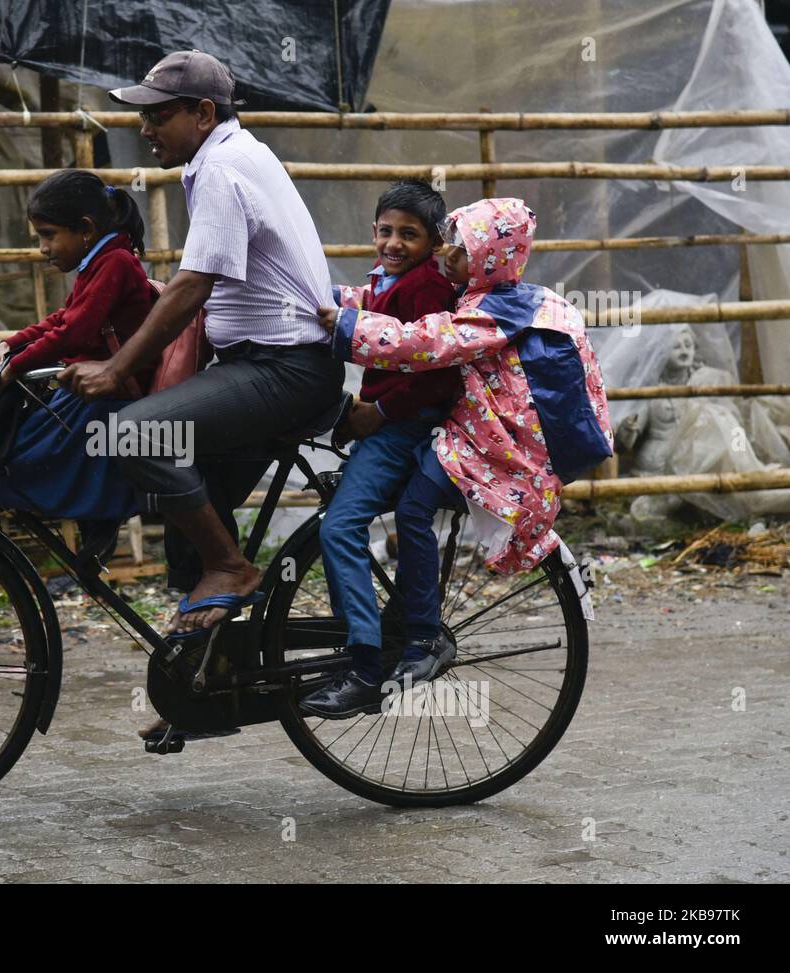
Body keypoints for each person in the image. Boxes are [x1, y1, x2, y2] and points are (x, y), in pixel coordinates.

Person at [62, 49, 346, 639]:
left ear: (204, 113)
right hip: (275, 364)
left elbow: (194, 285)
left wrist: (118, 366)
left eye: (158, 117)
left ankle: (230, 568)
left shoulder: (221, 167)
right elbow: (204, 283)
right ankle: (201, 670)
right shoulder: (234, 156)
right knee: (191, 515)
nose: (145, 130)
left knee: (137, 432)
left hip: (283, 368)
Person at [305, 197, 614, 716]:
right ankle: (401, 628)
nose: (450, 254)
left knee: (412, 510)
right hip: (475, 435)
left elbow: (430, 341)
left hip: (498, 451)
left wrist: (346, 327)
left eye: (463, 248)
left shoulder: (499, 307)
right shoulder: (477, 291)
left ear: (491, 259)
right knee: (403, 509)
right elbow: (386, 301)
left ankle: (422, 638)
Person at [298, 180, 460, 719]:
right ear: (373, 232)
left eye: (409, 235)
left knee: (340, 528)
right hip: (391, 422)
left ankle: (364, 663)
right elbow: (369, 315)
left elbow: (436, 375)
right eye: (386, 231)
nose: (393, 243)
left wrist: (380, 413)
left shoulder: (425, 287)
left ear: (435, 243)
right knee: (348, 520)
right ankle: (376, 636)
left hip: (402, 429)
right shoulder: (390, 279)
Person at [0, 169, 155, 549]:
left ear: (85, 229)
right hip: (87, 389)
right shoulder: (99, 260)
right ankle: (93, 527)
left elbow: (74, 332)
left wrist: (15, 367)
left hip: (107, 395)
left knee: (25, 457)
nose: (43, 248)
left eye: (49, 235)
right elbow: (63, 319)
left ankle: (97, 523)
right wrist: (11, 344)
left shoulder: (115, 263)